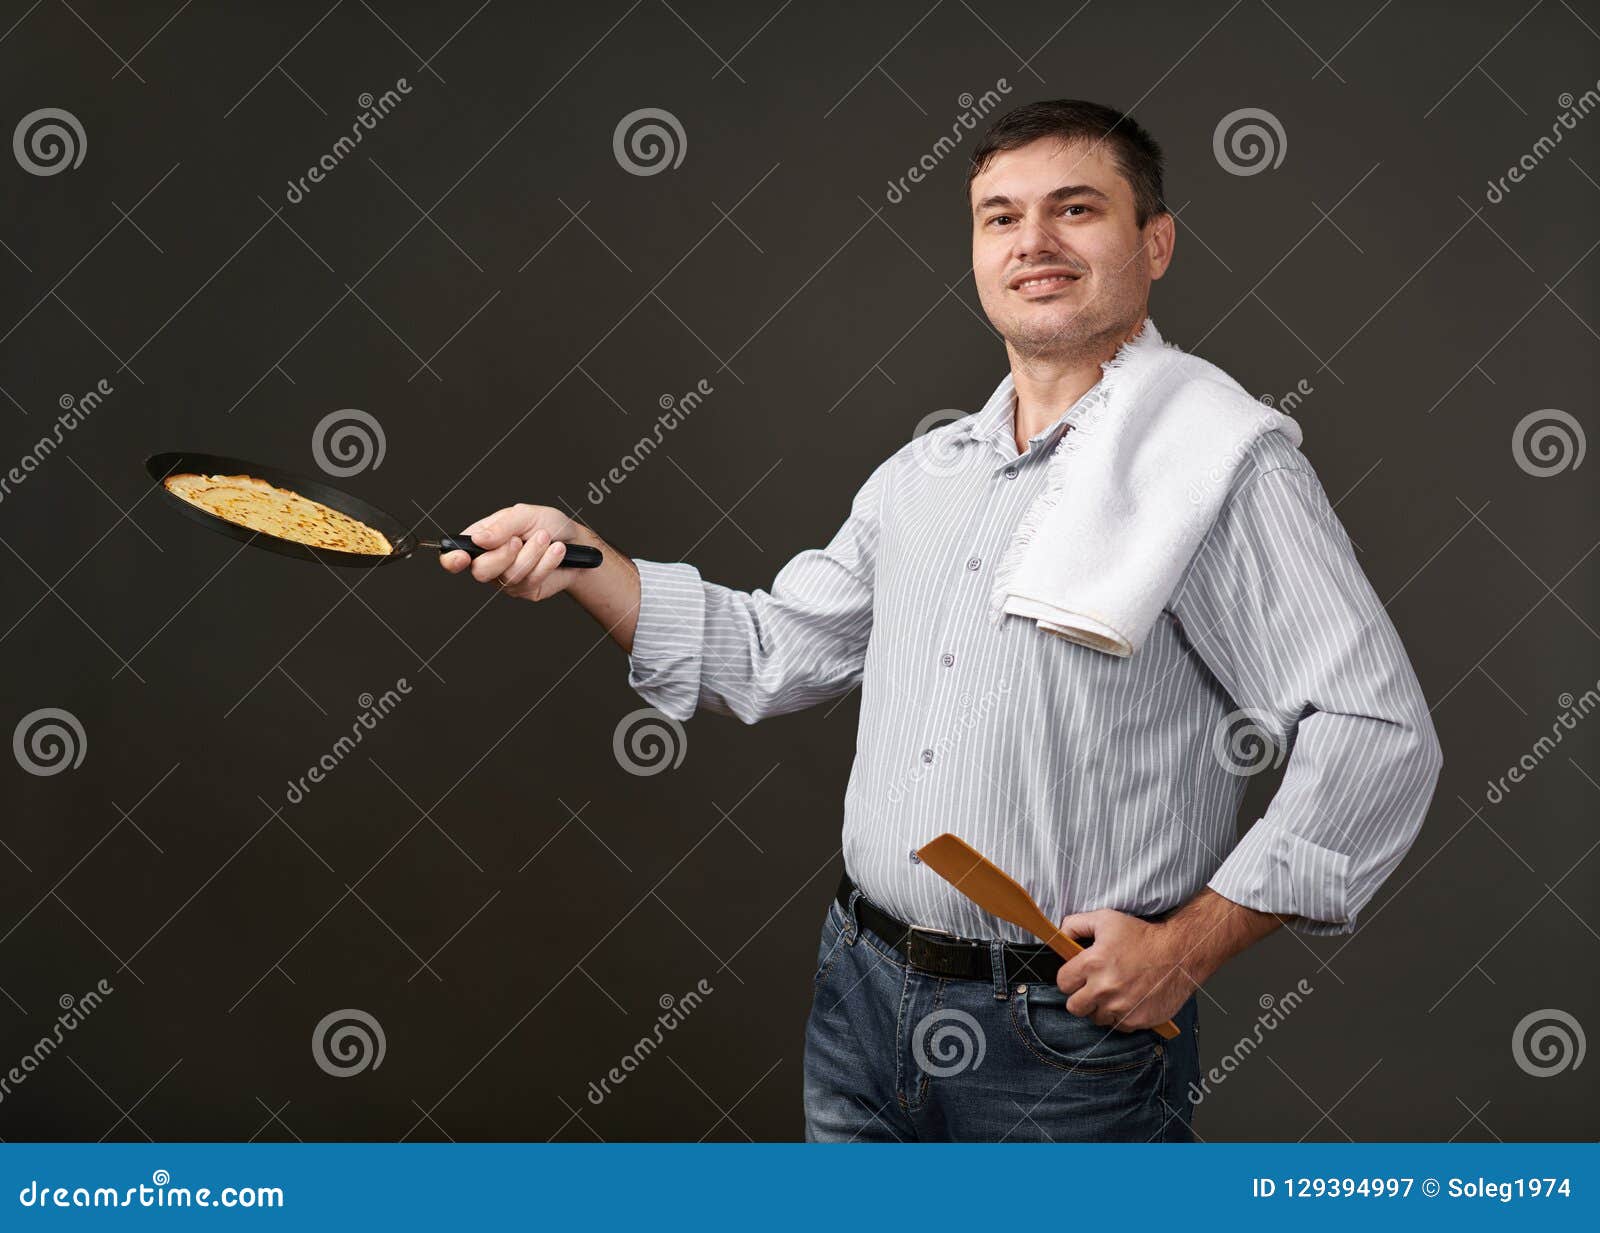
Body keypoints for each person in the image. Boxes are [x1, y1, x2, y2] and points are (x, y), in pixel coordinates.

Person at [441, 99, 1443, 1142]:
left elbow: (1375, 732)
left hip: (1061, 1040)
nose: (1034, 244)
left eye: (1074, 210)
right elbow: (771, 652)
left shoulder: (1219, 468)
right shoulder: (921, 478)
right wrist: (584, 556)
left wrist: (1189, 946)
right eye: (999, 217)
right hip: (859, 999)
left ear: (1155, 241)